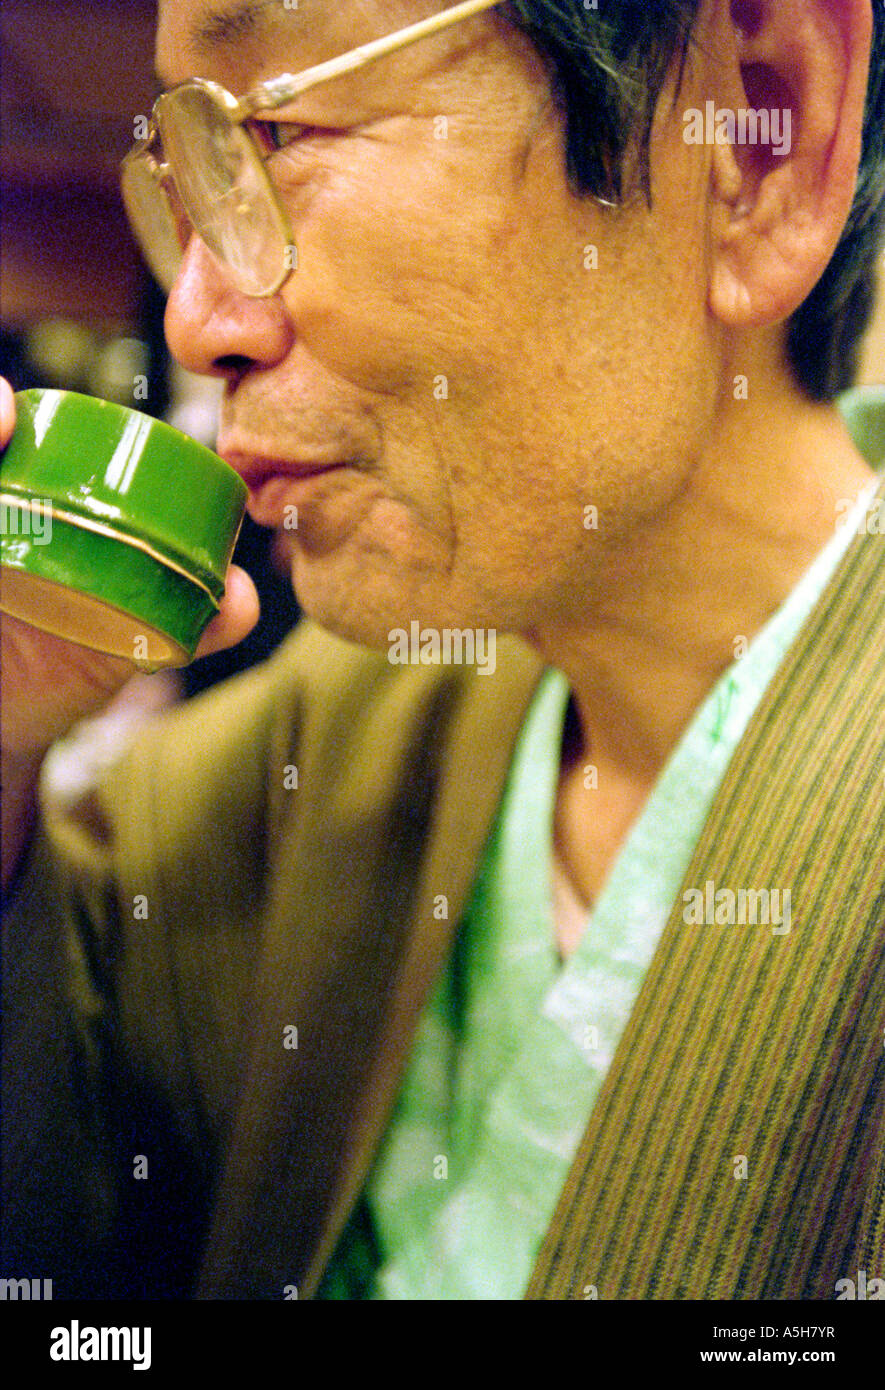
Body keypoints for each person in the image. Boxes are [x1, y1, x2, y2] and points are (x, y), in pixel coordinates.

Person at [1, 0, 883, 1301]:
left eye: (273, 131)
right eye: (183, 179)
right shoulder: (328, 744)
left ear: (749, 135)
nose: (197, 320)